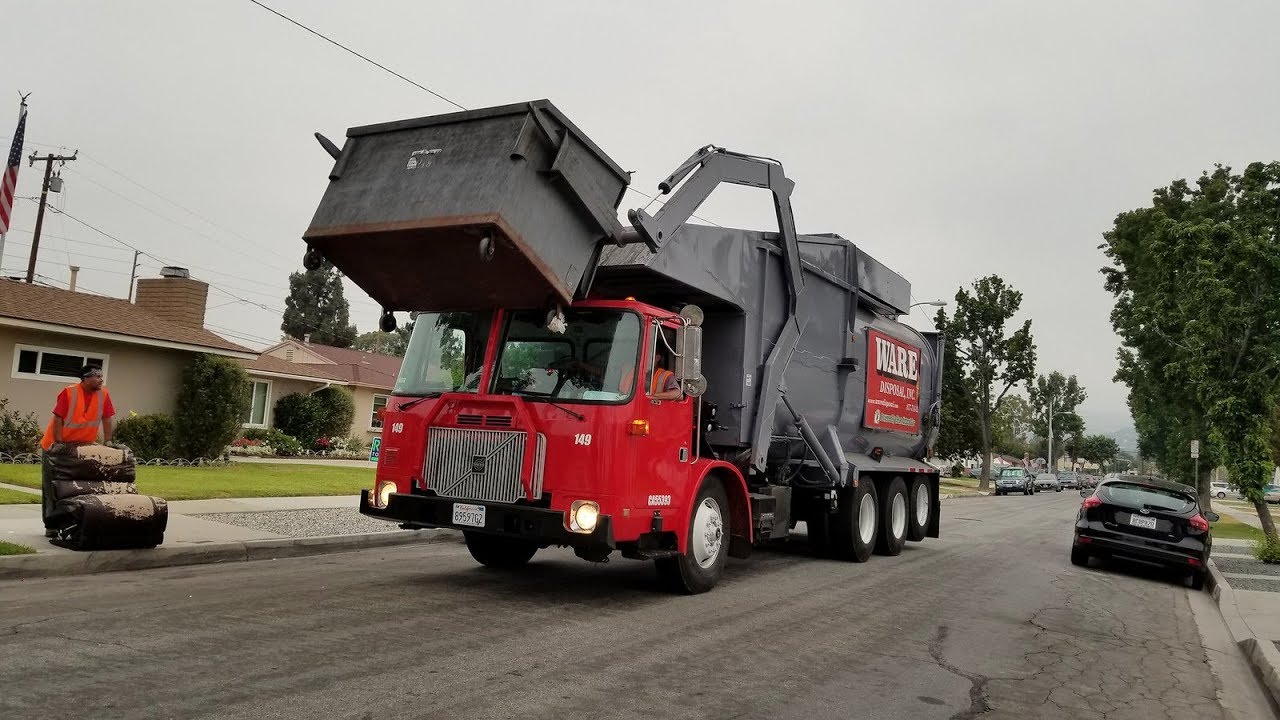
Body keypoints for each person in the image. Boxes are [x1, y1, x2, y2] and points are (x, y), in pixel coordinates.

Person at [40, 365, 116, 536]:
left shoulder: (103, 394)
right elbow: (58, 418)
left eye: (101, 376)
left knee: (77, 487)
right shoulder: (69, 392)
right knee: (52, 487)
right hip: (56, 446)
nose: (101, 379)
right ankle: (51, 526)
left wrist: (108, 441)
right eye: (97, 376)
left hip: (81, 448)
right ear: (86, 378)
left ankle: (72, 522)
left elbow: (107, 418)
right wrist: (58, 443)